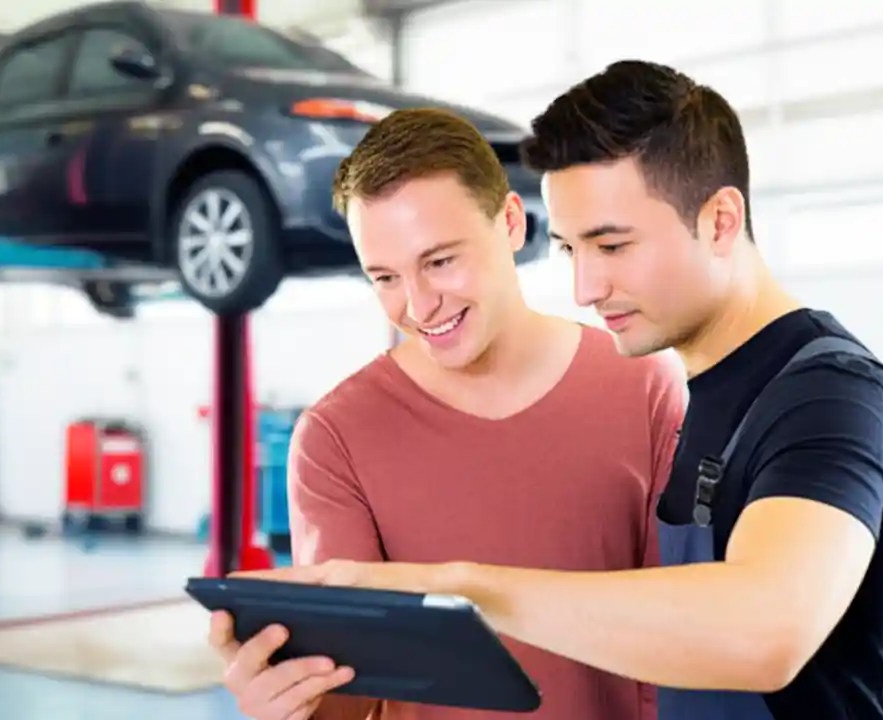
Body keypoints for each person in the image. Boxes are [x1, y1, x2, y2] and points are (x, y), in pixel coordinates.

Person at [239, 60, 883, 720]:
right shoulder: (713, 397)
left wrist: (457, 588)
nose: (584, 289)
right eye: (572, 249)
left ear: (720, 221)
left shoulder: (831, 398)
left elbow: (763, 631)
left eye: (613, 246)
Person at [209, 107, 687, 720]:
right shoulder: (335, 438)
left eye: (439, 262)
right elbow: (350, 692)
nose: (418, 306)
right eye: (385, 277)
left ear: (510, 222)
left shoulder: (644, 386)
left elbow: (682, 638)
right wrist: (291, 699)